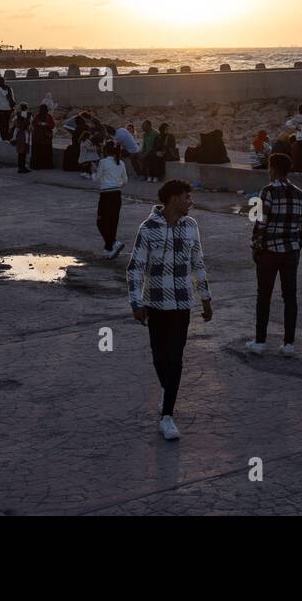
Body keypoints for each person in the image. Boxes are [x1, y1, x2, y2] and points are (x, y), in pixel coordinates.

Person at [126, 179, 213, 442]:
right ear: (174, 199)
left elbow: (198, 262)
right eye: (187, 197)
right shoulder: (148, 228)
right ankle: (168, 390)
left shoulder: (191, 226)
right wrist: (136, 303)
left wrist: (206, 298)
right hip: (155, 303)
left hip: (182, 303)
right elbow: (135, 267)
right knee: (159, 356)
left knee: (175, 358)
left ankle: (167, 416)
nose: (191, 201)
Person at [247, 153, 302, 357]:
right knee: (290, 297)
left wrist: (255, 246)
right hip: (291, 252)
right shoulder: (299, 193)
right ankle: (289, 344)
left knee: (263, 296)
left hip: (270, 251)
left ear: (272, 169)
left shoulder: (267, 191)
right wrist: (297, 246)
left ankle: (260, 341)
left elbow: (259, 222)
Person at [95, 140, 128, 258]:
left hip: (106, 195)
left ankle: (114, 243)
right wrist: (117, 184)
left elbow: (97, 179)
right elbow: (125, 181)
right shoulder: (121, 163)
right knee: (113, 222)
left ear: (105, 151)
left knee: (101, 222)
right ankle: (109, 249)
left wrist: (93, 171)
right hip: (117, 194)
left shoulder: (103, 162)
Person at [11, 106, 32, 173]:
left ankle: (20, 168)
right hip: (24, 135)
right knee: (24, 153)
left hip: (19, 135)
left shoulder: (17, 116)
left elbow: (15, 125)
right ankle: (22, 168)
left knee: (20, 153)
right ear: (26, 108)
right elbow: (29, 124)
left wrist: (14, 138)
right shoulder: (28, 115)